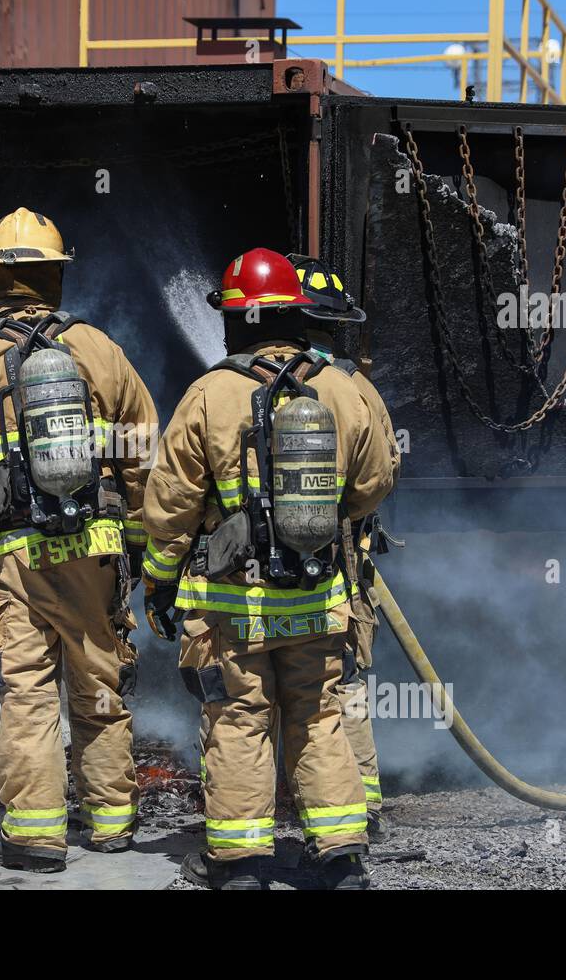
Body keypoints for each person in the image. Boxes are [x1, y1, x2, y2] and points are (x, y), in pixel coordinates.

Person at [142, 247, 396, 889]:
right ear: (296, 313)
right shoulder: (343, 388)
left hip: (235, 610)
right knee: (319, 715)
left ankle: (240, 864)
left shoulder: (210, 395)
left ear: (234, 320)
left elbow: (169, 505)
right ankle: (339, 858)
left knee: (238, 719)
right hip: (317, 599)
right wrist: (323, 517)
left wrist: (160, 582)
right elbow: (375, 482)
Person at [0, 208, 158, 873]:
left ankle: (37, 835)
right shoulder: (100, 350)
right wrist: (137, 543)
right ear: (55, 277)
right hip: (97, 547)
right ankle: (113, 823)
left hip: (15, 556)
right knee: (100, 683)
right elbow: (142, 453)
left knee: (27, 690)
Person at [291, 254, 402, 842]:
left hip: (252, 571)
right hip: (341, 564)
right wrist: (342, 520)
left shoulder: (253, 380)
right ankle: (361, 807)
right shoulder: (356, 387)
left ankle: (256, 809)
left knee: (250, 689)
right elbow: (383, 472)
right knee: (343, 680)